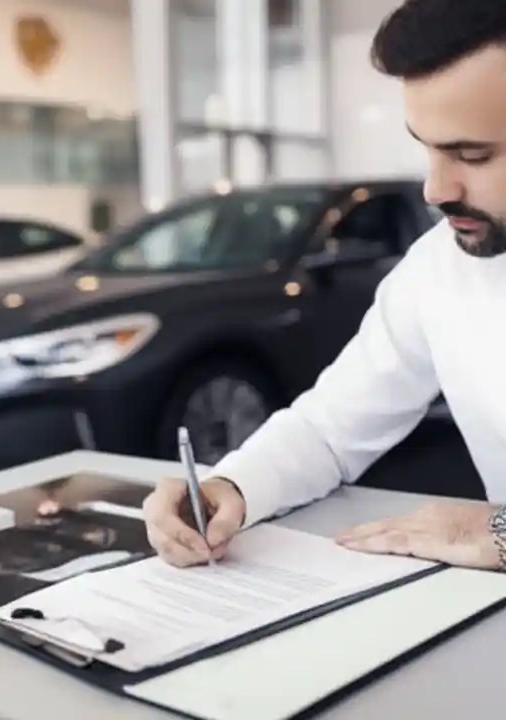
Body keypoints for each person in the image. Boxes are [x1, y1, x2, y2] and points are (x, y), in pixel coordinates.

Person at [142, 0, 506, 573]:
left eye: (473, 155)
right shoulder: (440, 269)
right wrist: (230, 488)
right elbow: (329, 429)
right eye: (427, 148)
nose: (435, 189)